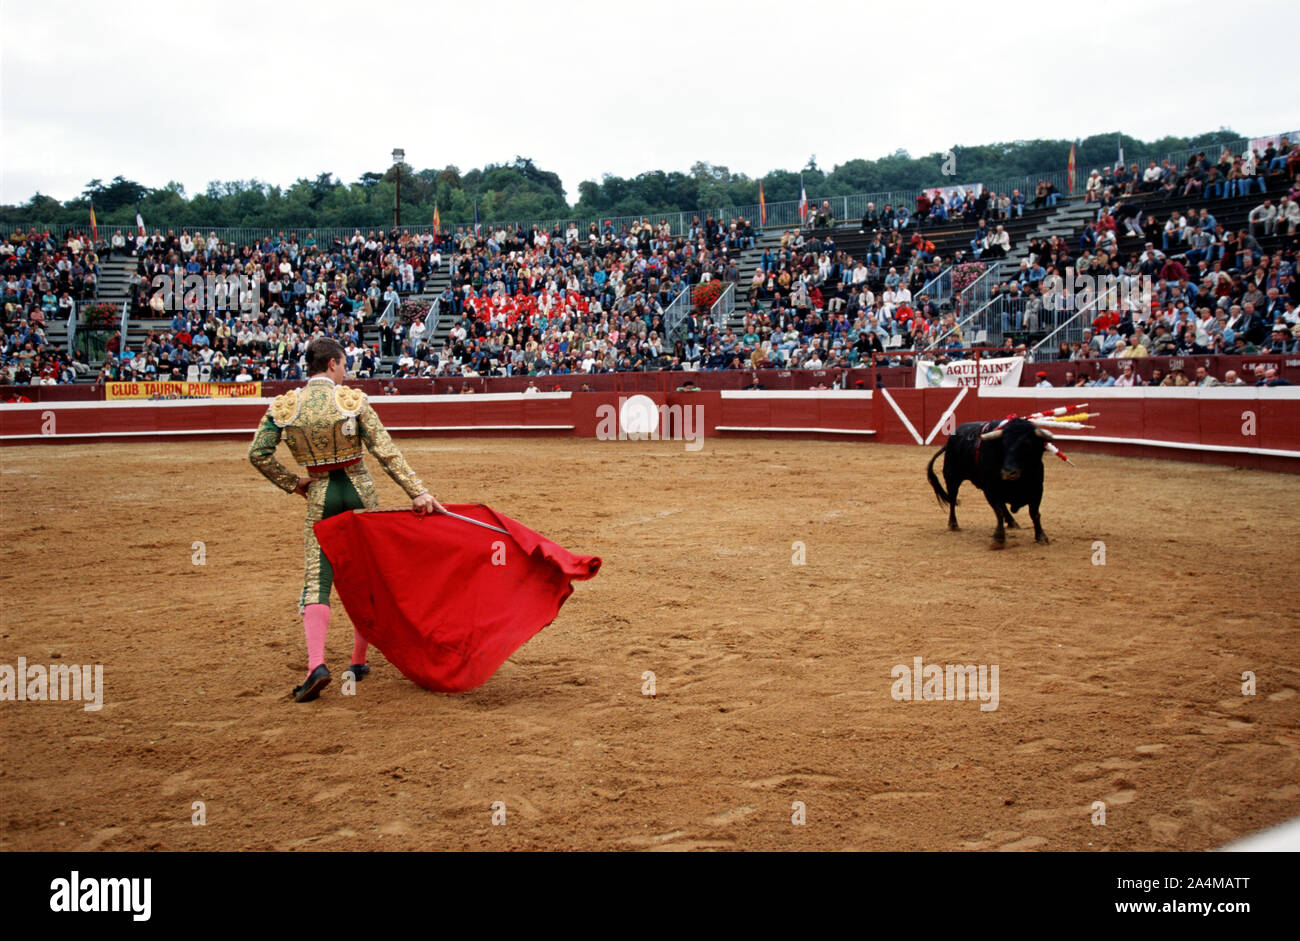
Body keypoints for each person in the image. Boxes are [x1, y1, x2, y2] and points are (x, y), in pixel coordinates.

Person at [249, 337, 445, 703]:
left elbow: (257, 454)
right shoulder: (351, 400)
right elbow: (386, 451)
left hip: (321, 493)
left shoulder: (285, 406)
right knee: (364, 576)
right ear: (334, 364)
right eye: (345, 364)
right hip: (358, 492)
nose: (346, 370)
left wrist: (294, 483)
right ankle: (357, 661)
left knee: (317, 577)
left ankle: (316, 665)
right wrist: (417, 491)